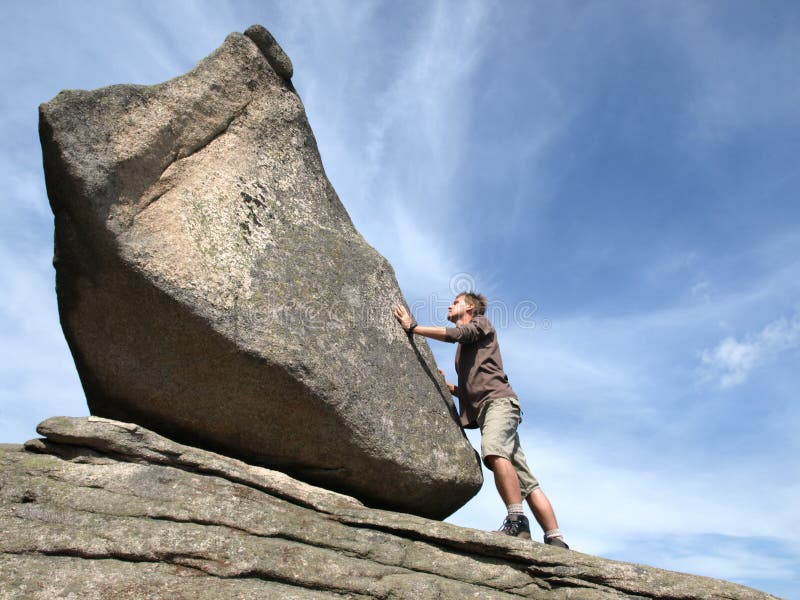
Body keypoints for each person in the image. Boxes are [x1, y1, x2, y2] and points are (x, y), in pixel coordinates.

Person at [393, 292, 569, 548]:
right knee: (524, 479)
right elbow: (472, 387)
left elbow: (457, 335)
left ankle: (517, 521)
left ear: (470, 307)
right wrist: (450, 387)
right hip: (493, 407)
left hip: (498, 404)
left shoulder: (481, 323)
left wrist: (414, 327)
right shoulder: (466, 348)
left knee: (494, 452)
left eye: (456, 302)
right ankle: (556, 539)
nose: (451, 305)